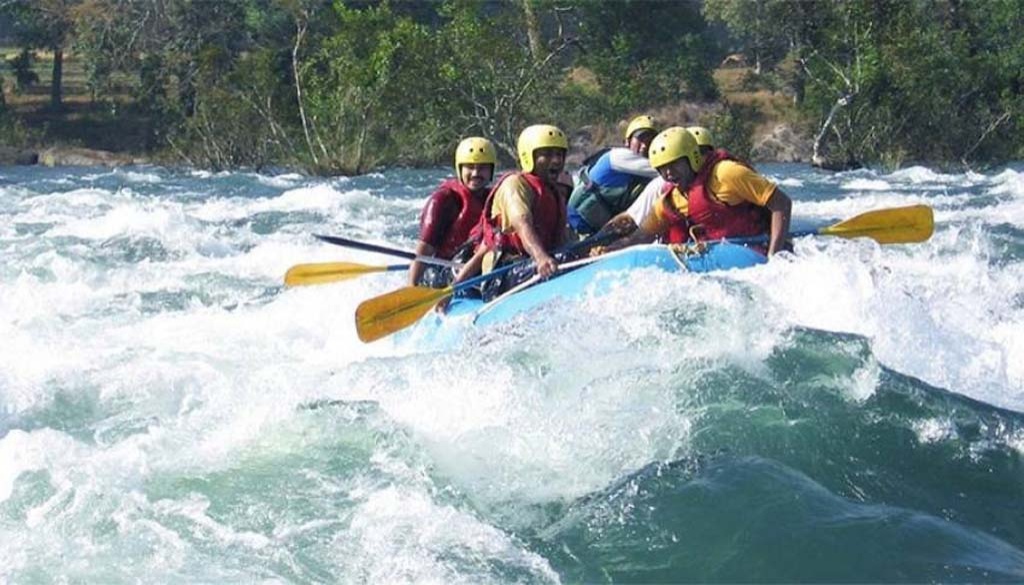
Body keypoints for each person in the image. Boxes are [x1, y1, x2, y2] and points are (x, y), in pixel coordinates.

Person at [605, 126, 792, 256]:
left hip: (758, 247)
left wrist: (774, 255)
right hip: (725, 255)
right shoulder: (672, 200)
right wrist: (608, 250)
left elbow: (782, 203)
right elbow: (641, 236)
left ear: (692, 158)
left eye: (674, 165)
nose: (668, 173)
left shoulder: (726, 173)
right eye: (662, 168)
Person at [451, 124, 572, 300]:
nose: (556, 161)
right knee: (563, 261)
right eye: (547, 154)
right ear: (528, 156)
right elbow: (522, 224)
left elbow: (561, 241)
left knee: (571, 257)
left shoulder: (555, 193)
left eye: (559, 154)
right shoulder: (515, 185)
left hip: (534, 264)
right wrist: (540, 257)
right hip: (501, 277)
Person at [408, 136, 496, 287]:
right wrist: (411, 287)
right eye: (470, 167)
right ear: (459, 169)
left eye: (482, 167)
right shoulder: (442, 200)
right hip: (440, 271)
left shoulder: (494, 198)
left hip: (474, 265)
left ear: (491, 170)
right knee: (463, 260)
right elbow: (423, 252)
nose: (476, 173)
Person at [566, 115, 660, 235]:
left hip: (592, 225)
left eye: (651, 141)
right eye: (640, 139)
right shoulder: (619, 156)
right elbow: (663, 173)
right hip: (583, 223)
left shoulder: (633, 167)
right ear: (627, 141)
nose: (645, 145)